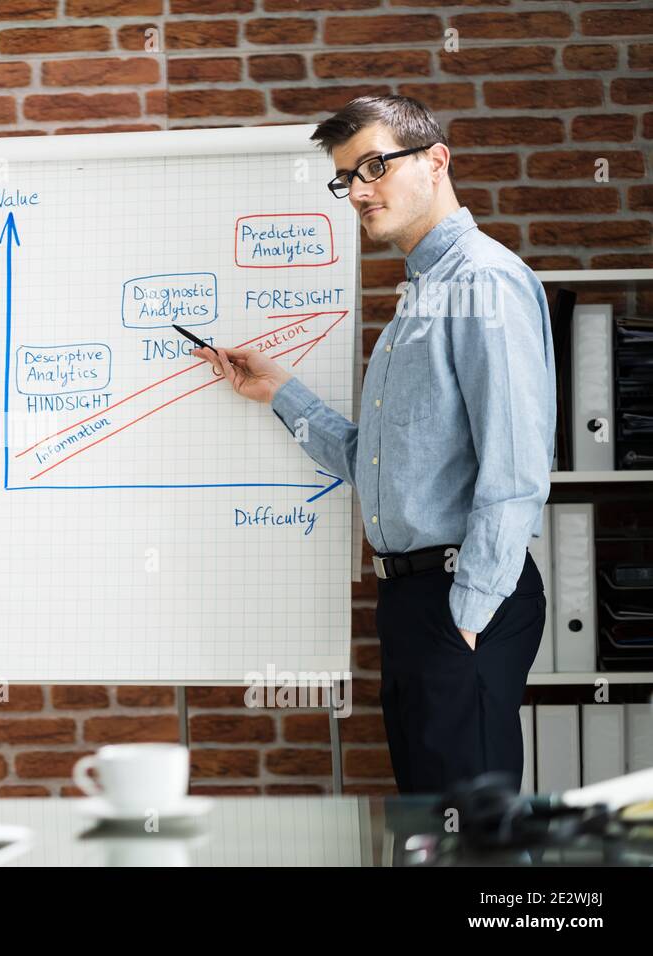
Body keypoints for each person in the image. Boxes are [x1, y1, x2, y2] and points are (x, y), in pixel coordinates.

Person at [194, 94, 556, 795]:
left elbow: (515, 470)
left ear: (436, 161)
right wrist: (281, 393)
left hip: (462, 596)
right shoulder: (419, 296)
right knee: (431, 831)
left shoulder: (484, 282)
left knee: (472, 845)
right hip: (414, 603)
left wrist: (469, 617)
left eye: (374, 167)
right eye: (346, 178)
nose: (359, 191)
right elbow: (376, 463)